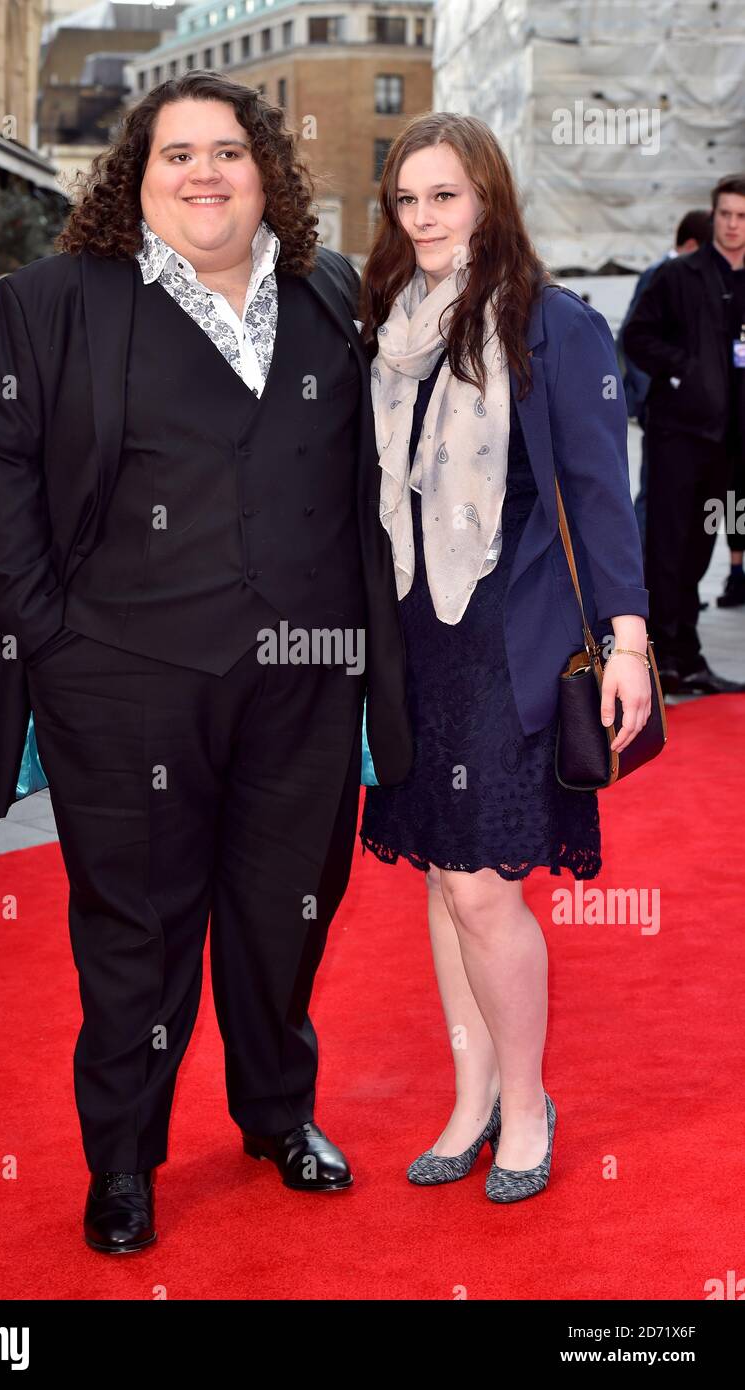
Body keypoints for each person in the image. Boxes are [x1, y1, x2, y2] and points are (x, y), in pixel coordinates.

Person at [0, 70, 412, 1254]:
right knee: (134, 933)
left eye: (229, 152)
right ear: (136, 175)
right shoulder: (54, 302)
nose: (205, 173)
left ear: (268, 170)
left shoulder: (329, 291)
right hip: (120, 678)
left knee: (284, 918)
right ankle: (123, 1163)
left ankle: (276, 1114)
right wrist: (46, 631)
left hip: (308, 679)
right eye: (177, 155)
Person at [358, 112, 652, 1203]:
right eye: (408, 199)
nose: (425, 217)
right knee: (442, 875)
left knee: (484, 888)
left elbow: (598, 489)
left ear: (488, 197)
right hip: (414, 639)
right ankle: (471, 1092)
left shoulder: (552, 324)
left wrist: (629, 639)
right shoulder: (394, 327)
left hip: (508, 638)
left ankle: (527, 1103)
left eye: (446, 194)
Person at [623, 176, 745, 684]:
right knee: (667, 546)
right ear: (713, 216)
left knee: (702, 545)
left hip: (732, 440)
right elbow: (636, 336)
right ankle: (661, 656)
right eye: (725, 215)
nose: (733, 225)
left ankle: (684, 653)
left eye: (742, 217)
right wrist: (684, 371)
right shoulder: (677, 276)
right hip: (679, 434)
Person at [617, 210, 711, 549]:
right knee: (654, 495)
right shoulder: (661, 274)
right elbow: (634, 337)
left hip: (679, 408)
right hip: (659, 406)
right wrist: (647, 398)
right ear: (690, 245)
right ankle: (642, 579)